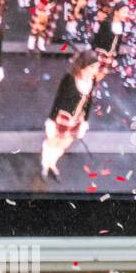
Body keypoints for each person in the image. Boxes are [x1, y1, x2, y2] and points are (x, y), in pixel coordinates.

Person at [41, 51, 100, 181]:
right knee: (53, 141)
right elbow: (59, 99)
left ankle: (52, 163)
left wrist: (85, 121)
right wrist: (51, 120)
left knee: (64, 144)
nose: (96, 70)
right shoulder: (70, 78)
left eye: (96, 67)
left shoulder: (92, 80)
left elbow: (89, 102)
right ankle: (45, 164)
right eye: (93, 67)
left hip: (77, 120)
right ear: (84, 66)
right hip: (63, 117)